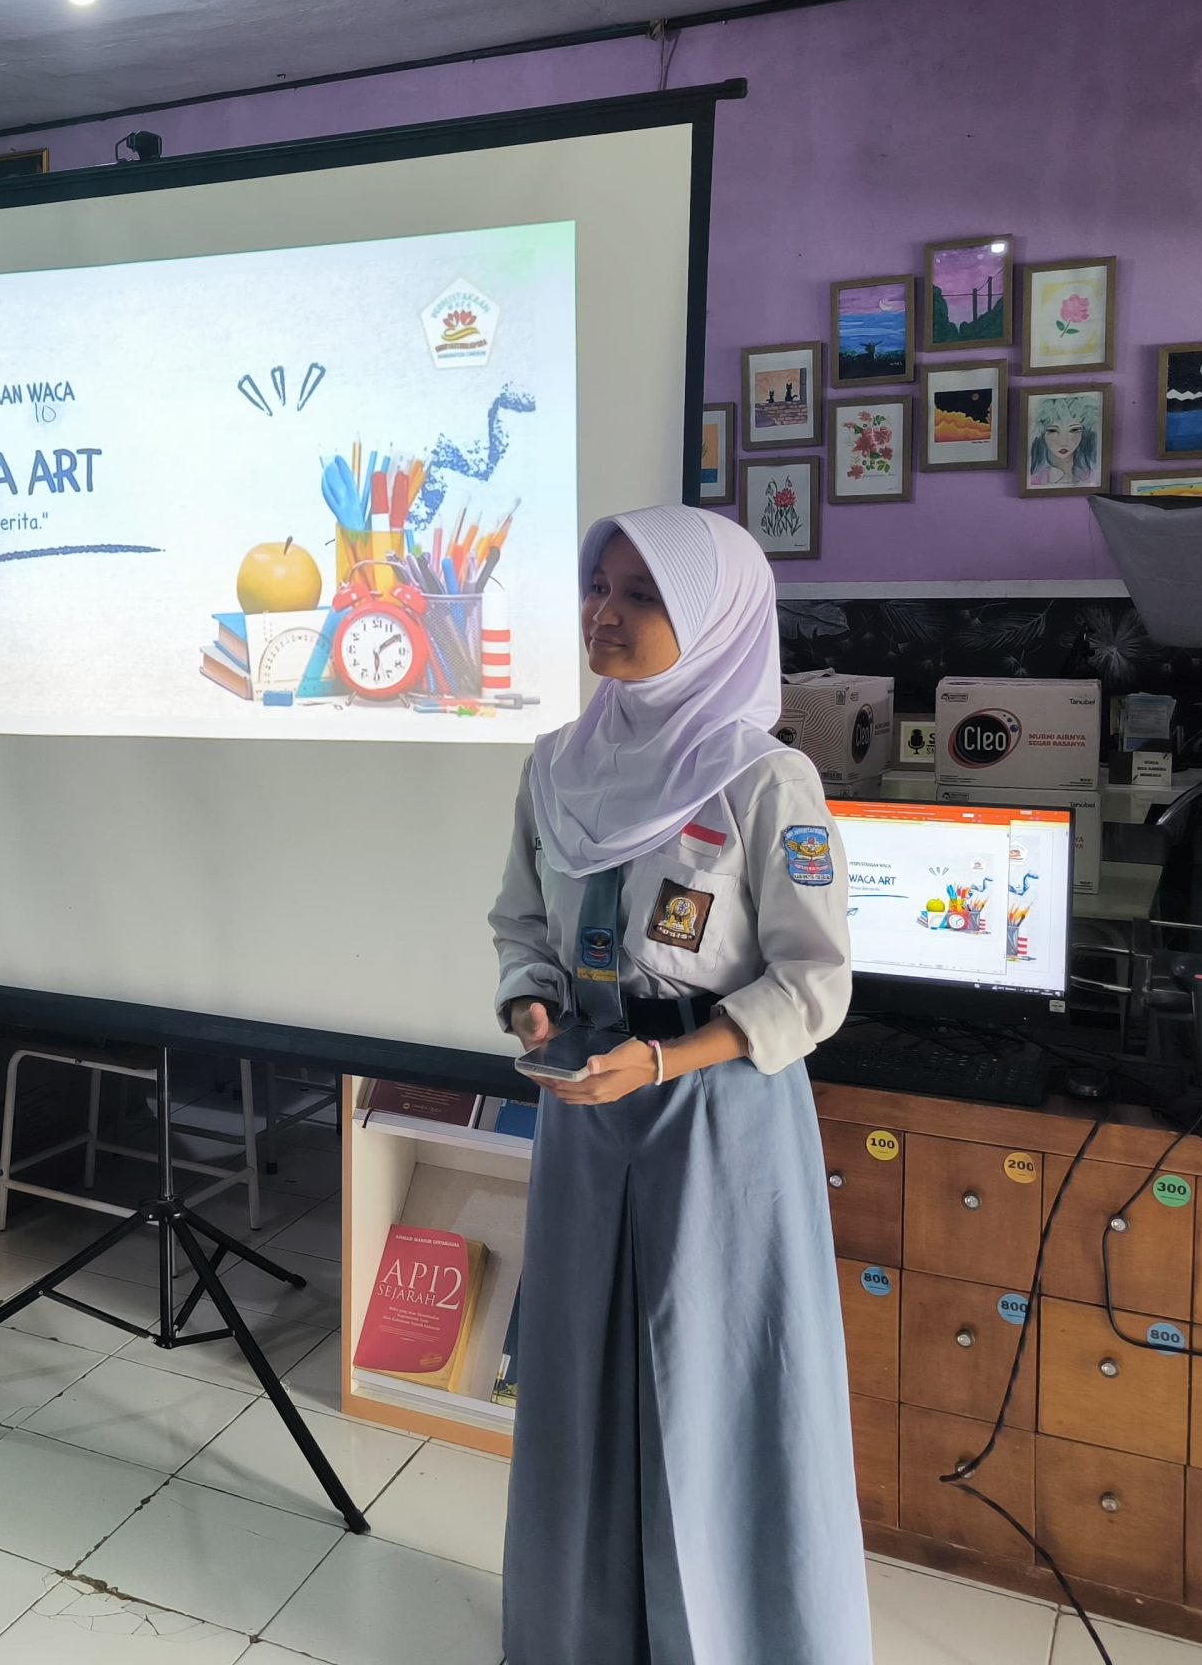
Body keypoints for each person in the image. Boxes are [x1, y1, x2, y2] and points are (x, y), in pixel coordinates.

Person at [489, 505, 868, 1665]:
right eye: (597, 588)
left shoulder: (765, 779)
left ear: (709, 622)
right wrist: (530, 1003)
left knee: (719, 1381)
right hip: (587, 1112)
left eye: (639, 597)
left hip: (717, 1117)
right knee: (580, 1371)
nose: (602, 614)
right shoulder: (556, 764)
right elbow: (519, 922)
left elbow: (816, 984)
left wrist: (665, 1059)